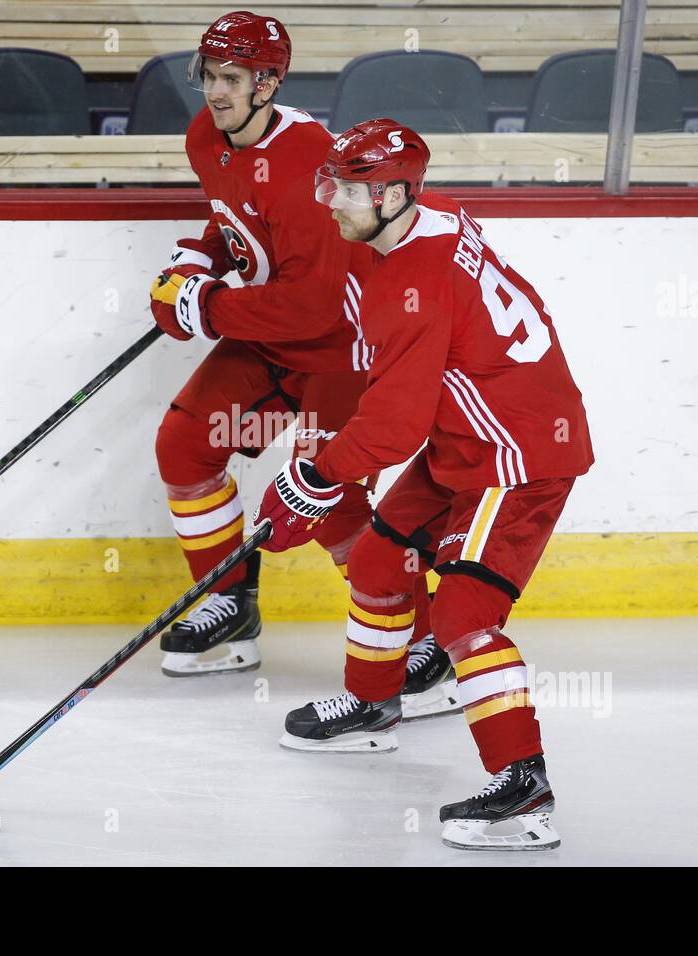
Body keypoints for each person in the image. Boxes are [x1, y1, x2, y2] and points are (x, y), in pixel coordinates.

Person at [254, 119, 594, 850]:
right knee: (380, 560)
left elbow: (393, 426)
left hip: (516, 453)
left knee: (463, 613)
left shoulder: (412, 279)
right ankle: (374, 708)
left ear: (398, 192)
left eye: (349, 189)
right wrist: (323, 473)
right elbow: (403, 402)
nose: (332, 200)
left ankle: (521, 787)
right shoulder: (422, 229)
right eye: (332, 183)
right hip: (467, 435)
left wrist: (312, 479)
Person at [149, 12, 447, 689]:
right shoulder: (205, 137)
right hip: (274, 340)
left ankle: (432, 644)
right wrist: (197, 257)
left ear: (269, 83)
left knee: (330, 500)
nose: (216, 93)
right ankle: (229, 603)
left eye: (233, 79)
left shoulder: (308, 163)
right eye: (210, 76)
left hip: (342, 348)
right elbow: (239, 215)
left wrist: (203, 307)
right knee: (186, 444)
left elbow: (311, 303)